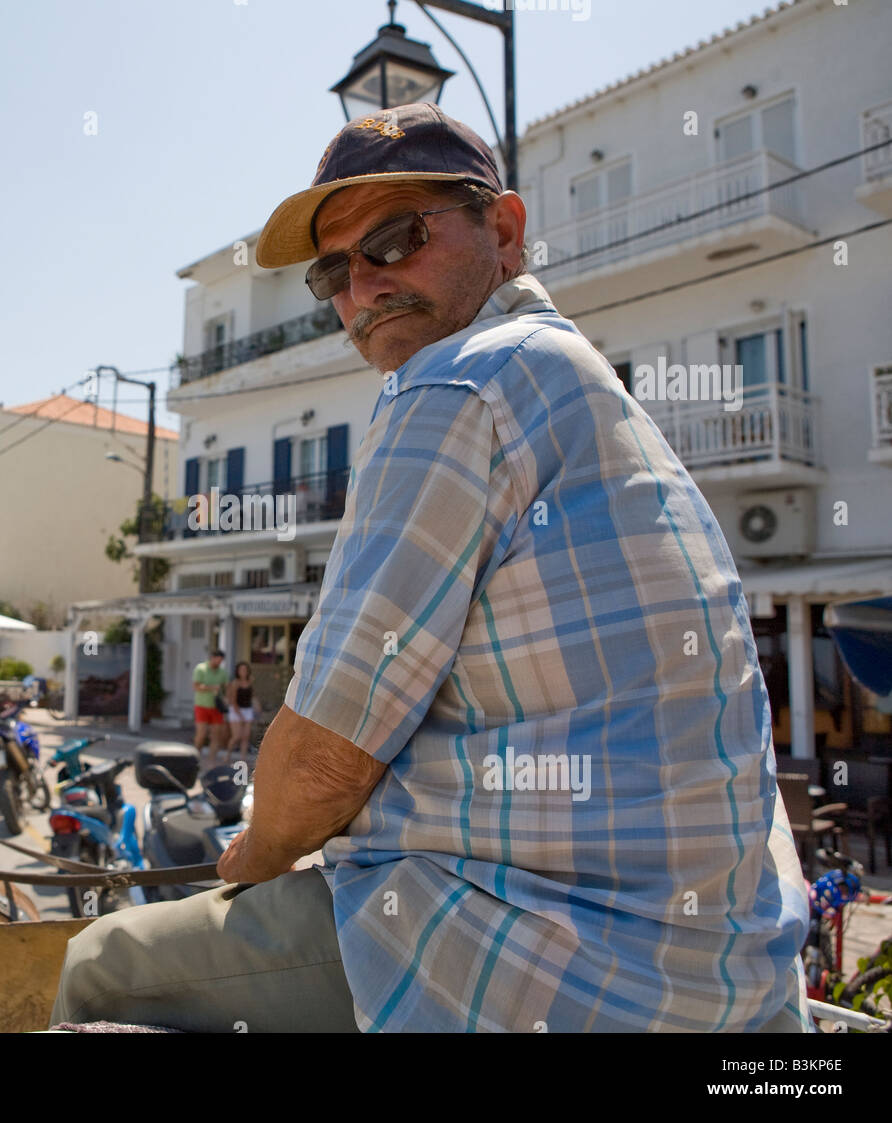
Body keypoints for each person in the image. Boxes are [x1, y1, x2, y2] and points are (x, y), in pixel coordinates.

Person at [51, 103, 809, 1033]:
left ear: (504, 228)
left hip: (554, 959)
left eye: (397, 239)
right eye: (334, 270)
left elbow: (326, 756)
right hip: (729, 971)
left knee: (102, 964)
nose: (362, 287)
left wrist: (250, 862)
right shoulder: (584, 384)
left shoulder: (454, 384)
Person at [190, 649, 230, 763]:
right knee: (201, 734)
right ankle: (195, 757)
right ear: (212, 657)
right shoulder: (201, 669)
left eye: (221, 661)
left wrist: (227, 698)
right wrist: (212, 688)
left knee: (216, 736)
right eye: (217, 660)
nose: (219, 663)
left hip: (217, 708)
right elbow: (196, 687)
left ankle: (210, 761)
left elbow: (227, 687)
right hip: (202, 706)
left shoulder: (222, 672)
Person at [224, 661, 258, 761]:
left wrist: (256, 705)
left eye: (245, 669)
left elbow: (252, 695)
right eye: (241, 670)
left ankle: (243, 759)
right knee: (237, 736)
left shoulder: (250, 681)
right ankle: (228, 754)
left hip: (247, 709)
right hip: (236, 710)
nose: (243, 671)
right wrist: (241, 716)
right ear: (237, 671)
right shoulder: (235, 683)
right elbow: (233, 702)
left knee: (246, 736)